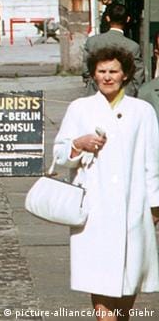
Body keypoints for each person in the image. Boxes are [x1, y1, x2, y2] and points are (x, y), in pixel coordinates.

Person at [53, 46, 159, 321]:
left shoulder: (142, 111)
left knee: (129, 275)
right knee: (98, 278)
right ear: (93, 75)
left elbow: (153, 161)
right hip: (95, 208)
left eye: (114, 71)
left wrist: (155, 205)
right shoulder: (80, 108)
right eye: (102, 72)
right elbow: (60, 155)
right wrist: (79, 144)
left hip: (132, 207)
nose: (108, 77)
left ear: (125, 75)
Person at [83, 3, 144, 97]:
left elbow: (86, 69)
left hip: (96, 91)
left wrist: (90, 83)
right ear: (127, 19)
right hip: (124, 93)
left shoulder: (92, 42)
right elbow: (138, 75)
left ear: (107, 18)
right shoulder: (133, 46)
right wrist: (133, 90)